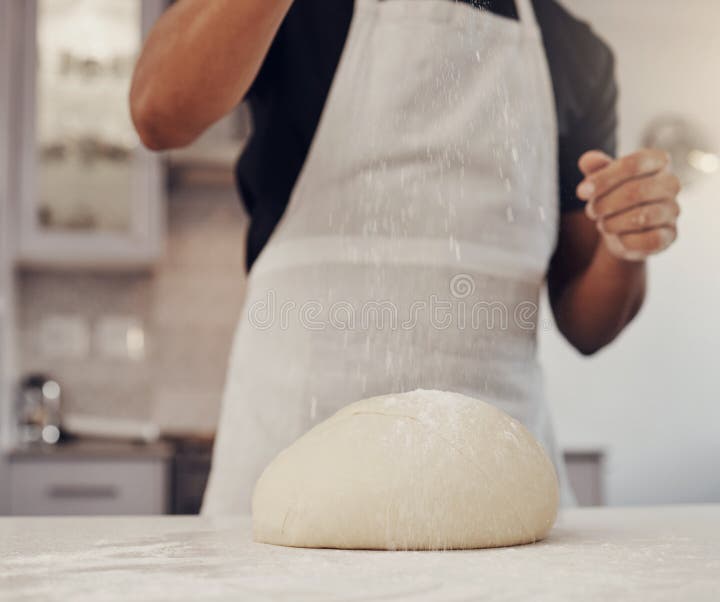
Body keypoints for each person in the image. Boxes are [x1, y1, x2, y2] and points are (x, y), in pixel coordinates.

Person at [130, 0, 681, 513]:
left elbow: (589, 326)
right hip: (292, 444)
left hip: (493, 475)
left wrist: (626, 243)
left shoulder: (577, 54)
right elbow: (159, 113)